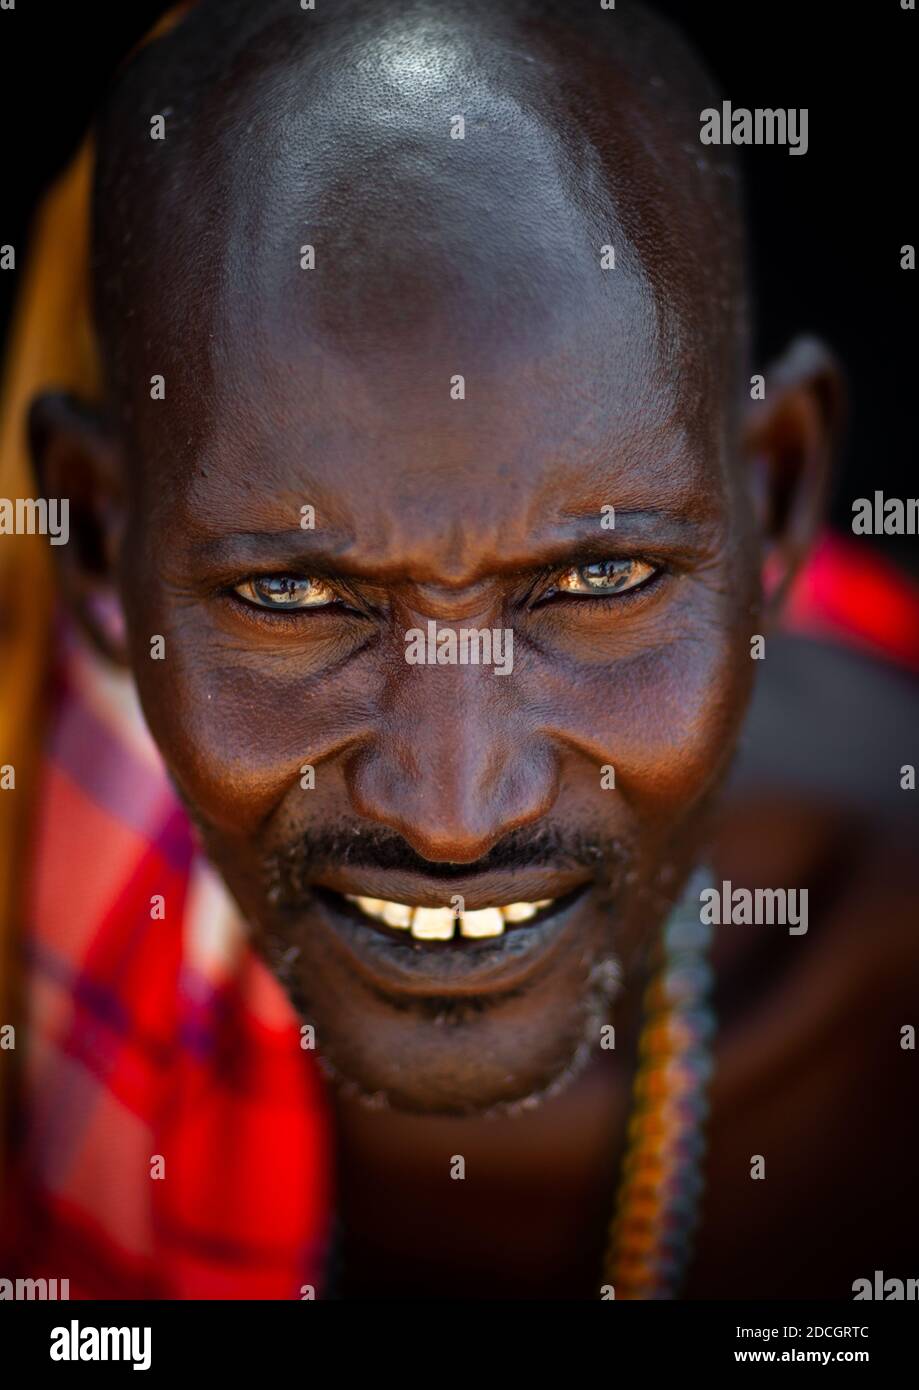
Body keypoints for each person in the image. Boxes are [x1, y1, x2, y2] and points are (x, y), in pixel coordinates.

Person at [1, 0, 916, 1299]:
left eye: (596, 578)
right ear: (101, 539)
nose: (451, 812)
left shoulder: (881, 945)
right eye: (294, 593)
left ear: (773, 502)